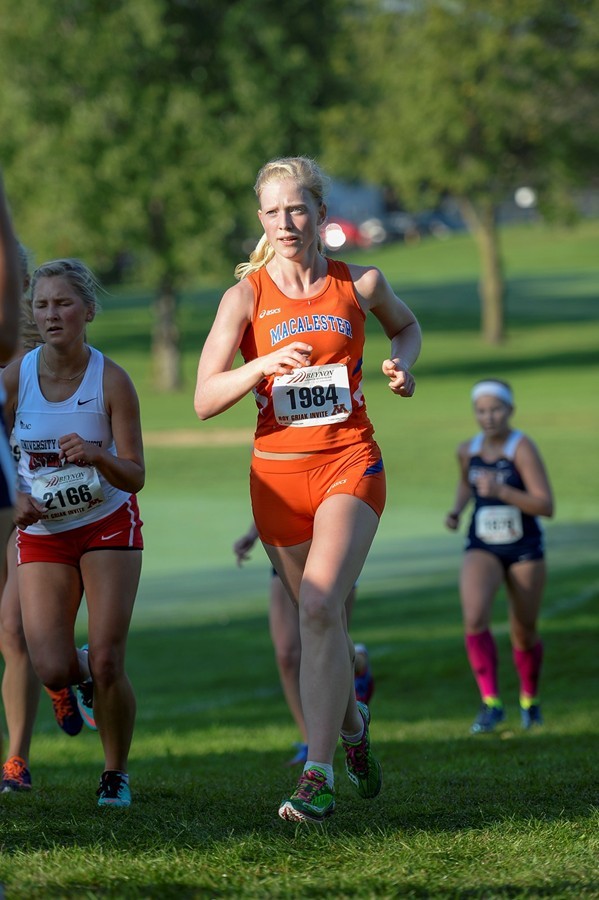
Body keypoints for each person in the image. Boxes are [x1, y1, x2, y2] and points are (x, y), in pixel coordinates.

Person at [195, 156, 421, 824]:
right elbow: (205, 397)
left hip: (348, 461)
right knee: (317, 619)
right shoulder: (245, 298)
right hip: (276, 477)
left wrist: (399, 367)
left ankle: (316, 775)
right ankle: (352, 730)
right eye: (273, 212)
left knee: (320, 605)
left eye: (297, 208)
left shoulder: (360, 283)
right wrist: (261, 362)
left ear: (320, 212)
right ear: (260, 220)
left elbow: (404, 327)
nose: (286, 222)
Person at [2, 258, 145, 807]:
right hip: (43, 533)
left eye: (63, 303)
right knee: (53, 665)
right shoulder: (14, 378)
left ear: (88, 310)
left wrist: (98, 455)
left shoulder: (111, 380)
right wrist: (12, 495)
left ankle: (115, 773)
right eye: (41, 305)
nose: (51, 313)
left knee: (110, 660)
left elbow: (136, 473)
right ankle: (81, 669)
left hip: (107, 523)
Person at [0, 247, 84, 794]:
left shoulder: (32, 338)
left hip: (30, 503)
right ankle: (62, 681)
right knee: (10, 634)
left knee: (13, 627)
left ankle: (15, 759)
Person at [445, 378, 554, 734]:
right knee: (474, 617)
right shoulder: (468, 449)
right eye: (481, 410)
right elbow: (466, 483)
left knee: (523, 631)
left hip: (524, 549)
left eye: (495, 409)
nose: (488, 417)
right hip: (483, 545)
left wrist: (502, 491)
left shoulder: (521, 448)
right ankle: (490, 703)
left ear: (509, 410)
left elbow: (545, 505)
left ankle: (530, 700)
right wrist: (457, 510)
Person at [233, 520, 374, 767]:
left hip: (334, 535)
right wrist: (253, 533)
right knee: (287, 654)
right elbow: (276, 486)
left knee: (332, 642)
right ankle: (311, 743)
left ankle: (359, 663)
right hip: (289, 537)